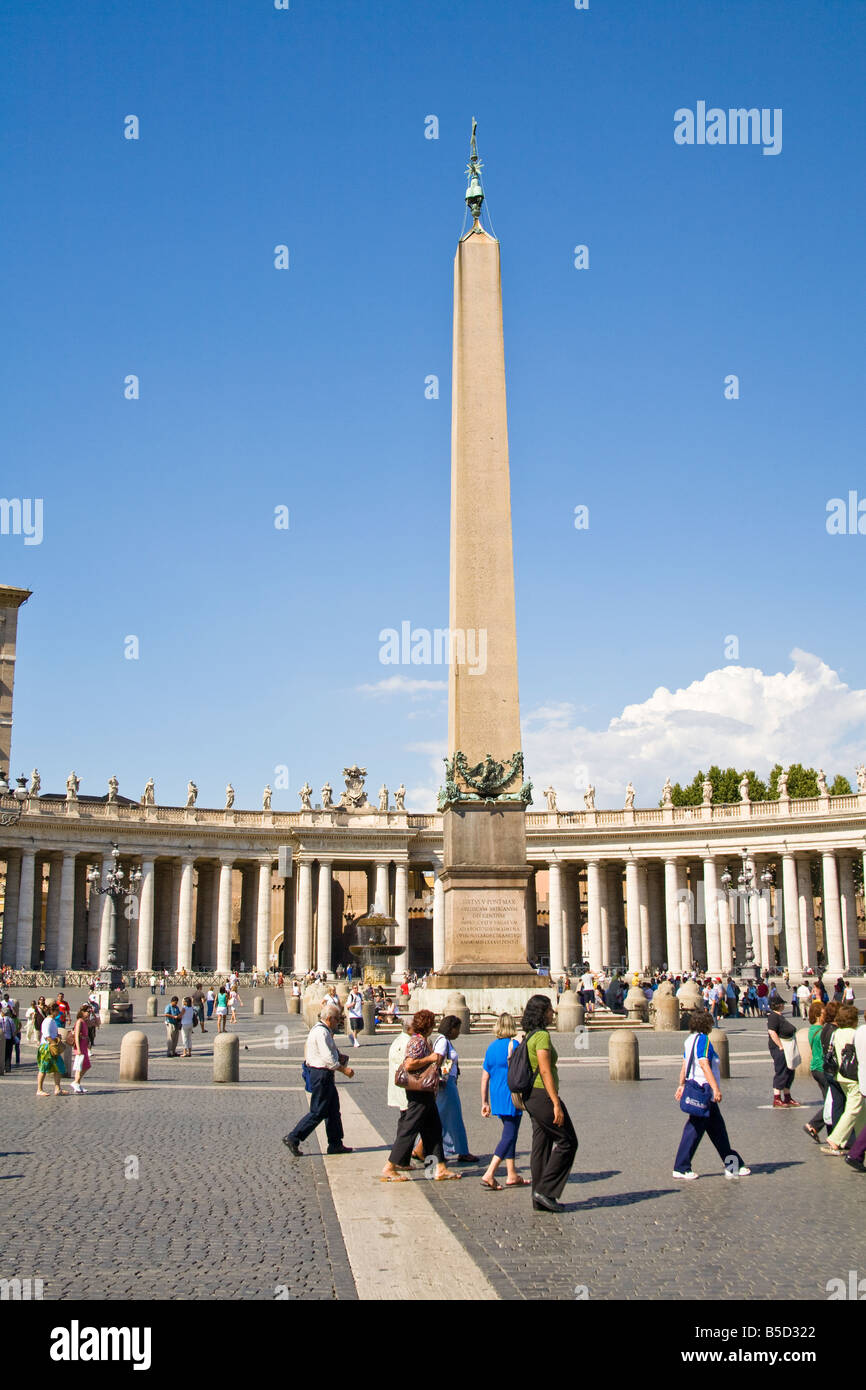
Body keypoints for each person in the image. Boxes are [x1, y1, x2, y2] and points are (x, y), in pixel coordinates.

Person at [380, 1010, 461, 1183]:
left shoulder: (423, 1040)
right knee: (409, 1129)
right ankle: (389, 1167)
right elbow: (409, 1064)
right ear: (428, 1025)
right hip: (419, 1092)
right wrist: (431, 1058)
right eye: (432, 1023)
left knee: (434, 1129)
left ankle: (439, 1168)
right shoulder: (417, 1041)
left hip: (425, 1092)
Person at [673, 1012, 750, 1179]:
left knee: (718, 1131)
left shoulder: (689, 1040)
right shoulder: (702, 1040)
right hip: (703, 1090)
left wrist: (681, 1085)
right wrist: (715, 1088)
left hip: (696, 1087)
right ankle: (681, 1167)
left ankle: (732, 1165)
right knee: (694, 1129)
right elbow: (703, 1063)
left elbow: (685, 1064)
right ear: (706, 1025)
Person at [521, 994, 578, 1212]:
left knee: (541, 1146)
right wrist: (555, 1102)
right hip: (543, 1095)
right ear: (542, 1013)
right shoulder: (542, 1036)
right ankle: (545, 1191)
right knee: (568, 1142)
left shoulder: (529, 1035)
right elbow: (544, 1070)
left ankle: (539, 1199)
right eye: (549, 1010)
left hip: (532, 1097)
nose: (553, 1013)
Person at [283, 1001, 354, 1156]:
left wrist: (339, 1055)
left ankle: (335, 1143)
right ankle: (293, 1137)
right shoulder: (321, 1032)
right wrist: (344, 1070)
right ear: (329, 1018)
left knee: (333, 1110)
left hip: (324, 1074)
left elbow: (327, 1051)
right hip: (321, 1075)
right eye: (337, 1019)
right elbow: (328, 1058)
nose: (339, 1022)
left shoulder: (322, 1030)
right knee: (318, 1111)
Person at [480, 1013, 528, 1190]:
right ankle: (490, 1173)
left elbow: (485, 1077)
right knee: (509, 1134)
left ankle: (511, 1174)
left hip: (496, 1094)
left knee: (511, 1133)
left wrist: (484, 1102)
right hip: (512, 1094)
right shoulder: (514, 1045)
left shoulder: (491, 1047)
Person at [821, 1005, 866, 1155]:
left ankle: (861, 1141)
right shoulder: (854, 1033)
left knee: (860, 1111)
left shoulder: (837, 1033)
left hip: (841, 1075)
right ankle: (835, 1138)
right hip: (854, 1077)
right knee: (853, 1110)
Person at [433, 1016, 478, 1165]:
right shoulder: (443, 1041)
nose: (458, 1032)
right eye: (457, 1029)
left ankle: (454, 1150)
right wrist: (444, 1075)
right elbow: (438, 1062)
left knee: (446, 1119)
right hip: (445, 1084)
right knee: (452, 1118)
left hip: (447, 1082)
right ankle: (461, 1151)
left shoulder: (444, 1041)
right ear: (451, 1028)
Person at [803, 1000, 844, 1143]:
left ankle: (828, 1130)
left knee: (828, 1100)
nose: (824, 1014)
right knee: (832, 1102)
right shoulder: (822, 1031)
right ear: (818, 1014)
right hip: (822, 1068)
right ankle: (814, 1125)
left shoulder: (813, 1030)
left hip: (815, 1068)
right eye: (823, 1012)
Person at [767, 995, 799, 1107]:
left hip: (787, 1046)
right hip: (780, 1048)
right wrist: (780, 1046)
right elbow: (772, 1032)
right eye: (782, 1004)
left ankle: (787, 1096)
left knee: (789, 1071)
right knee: (781, 1071)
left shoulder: (779, 1016)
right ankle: (777, 1097)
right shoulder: (773, 1017)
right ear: (779, 1005)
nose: (784, 1005)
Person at [36, 1003, 67, 1096]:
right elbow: (46, 1035)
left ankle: (58, 1088)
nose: (58, 1012)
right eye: (57, 1010)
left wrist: (57, 1037)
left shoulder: (53, 1021)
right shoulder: (48, 1021)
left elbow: (52, 1034)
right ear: (52, 1011)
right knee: (43, 1068)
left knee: (58, 1067)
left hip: (52, 1046)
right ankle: (39, 1089)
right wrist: (54, 1044)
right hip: (47, 1047)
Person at [70, 1006, 92, 1094]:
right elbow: (76, 1036)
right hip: (80, 1045)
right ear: (82, 1012)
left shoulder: (85, 1022)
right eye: (87, 1012)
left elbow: (98, 1023)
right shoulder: (79, 1021)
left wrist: (93, 1013)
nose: (89, 1014)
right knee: (82, 1065)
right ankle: (76, 1082)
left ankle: (77, 1084)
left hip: (84, 1044)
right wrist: (78, 1048)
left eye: (89, 1012)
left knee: (84, 1065)